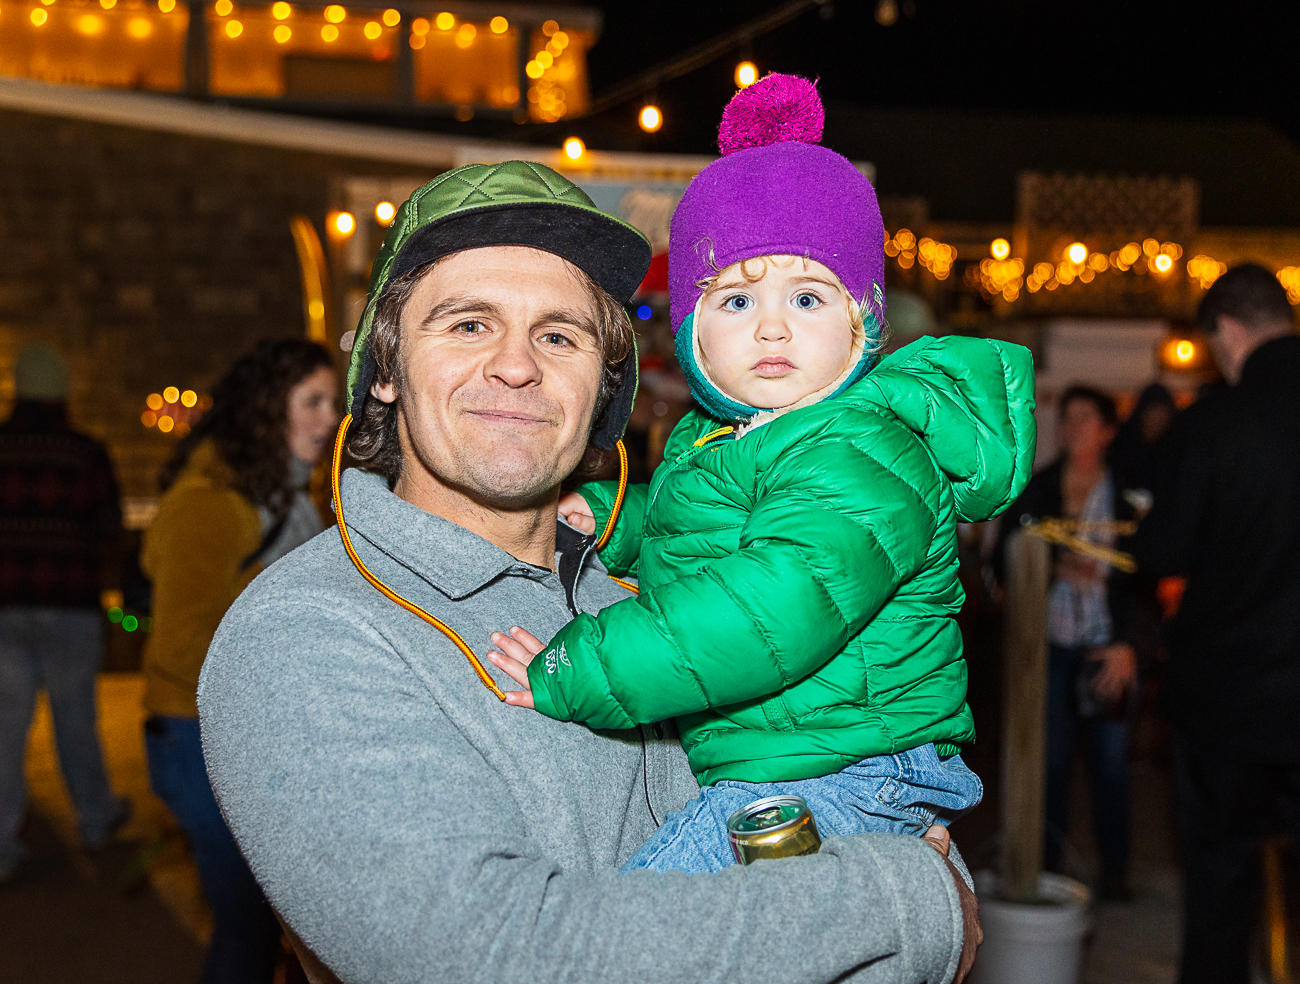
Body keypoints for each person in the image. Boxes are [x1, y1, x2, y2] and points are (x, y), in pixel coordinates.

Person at [199, 159, 983, 984]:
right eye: (468, 324)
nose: (516, 365)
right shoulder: (305, 634)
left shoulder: (663, 586)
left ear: (601, 389)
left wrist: (912, 887)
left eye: (560, 336)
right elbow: (486, 958)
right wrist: (902, 906)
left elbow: (887, 812)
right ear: (386, 371)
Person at [485, 75, 1036, 875]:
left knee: (642, 924)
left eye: (808, 298)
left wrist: (582, 667)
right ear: (691, 330)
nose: (772, 325)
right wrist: (610, 517)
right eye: (736, 302)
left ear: (863, 321)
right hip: (795, 758)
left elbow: (768, 607)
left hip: (849, 772)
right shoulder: (723, 438)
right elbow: (702, 531)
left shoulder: (864, 449)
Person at [142, 339, 336, 984]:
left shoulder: (284, 494)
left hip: (244, 730)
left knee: (270, 927)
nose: (329, 418)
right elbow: (179, 640)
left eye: (332, 402)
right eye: (311, 401)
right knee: (248, 927)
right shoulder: (211, 499)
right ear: (263, 408)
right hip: (197, 737)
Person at [1133, 263, 1300, 984]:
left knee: (1220, 884)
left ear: (1227, 330)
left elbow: (1163, 551)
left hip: (1229, 697)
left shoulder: (1214, 425)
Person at [998, 385, 1139, 900]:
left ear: (1107, 430)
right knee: (1049, 761)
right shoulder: (1041, 489)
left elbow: (1149, 578)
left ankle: (1116, 873)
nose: (1071, 427)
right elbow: (1001, 559)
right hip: (1050, 644)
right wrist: (1048, 565)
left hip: (1108, 645)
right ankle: (1046, 866)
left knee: (1110, 764)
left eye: (1084, 419)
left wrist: (1130, 643)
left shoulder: (1130, 494)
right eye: (1066, 419)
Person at [0, 345, 128, 882]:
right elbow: (109, 529)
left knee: (5, 727)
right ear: (63, 392)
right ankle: (94, 819)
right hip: (70, 605)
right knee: (75, 718)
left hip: (4, 605)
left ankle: (2, 842)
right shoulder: (85, 452)